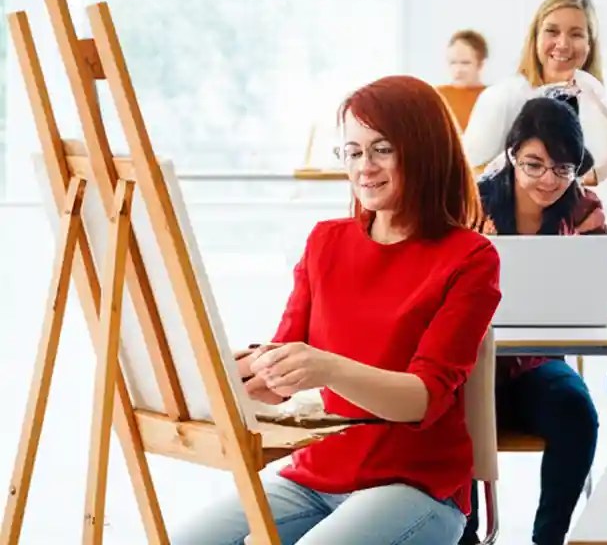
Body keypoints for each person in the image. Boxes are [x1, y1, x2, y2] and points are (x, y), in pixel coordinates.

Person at [173, 76, 500, 545]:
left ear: (423, 149)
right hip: (315, 476)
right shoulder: (325, 241)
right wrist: (250, 371)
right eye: (352, 151)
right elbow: (280, 374)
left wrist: (325, 367)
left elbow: (421, 399)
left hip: (414, 487)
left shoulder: (470, 257)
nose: (363, 167)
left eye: (381, 149)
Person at [459, 94, 604, 545]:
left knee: (576, 411)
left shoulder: (582, 208)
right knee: (442, 415)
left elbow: (595, 287)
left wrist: (602, 296)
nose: (548, 180)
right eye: (534, 164)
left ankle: (549, 539)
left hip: (534, 366)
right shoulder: (471, 202)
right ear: (511, 155)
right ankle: (464, 535)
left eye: (563, 168)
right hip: (467, 366)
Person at [463, 0, 607, 185]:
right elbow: (468, 170)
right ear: (535, 37)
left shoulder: (597, 104)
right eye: (552, 31)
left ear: (590, 44)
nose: (562, 44)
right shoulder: (501, 98)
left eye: (576, 34)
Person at [438, 29, 489, 131]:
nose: (458, 70)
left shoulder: (491, 97)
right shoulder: (438, 96)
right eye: (453, 62)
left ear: (480, 64)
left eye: (465, 63)